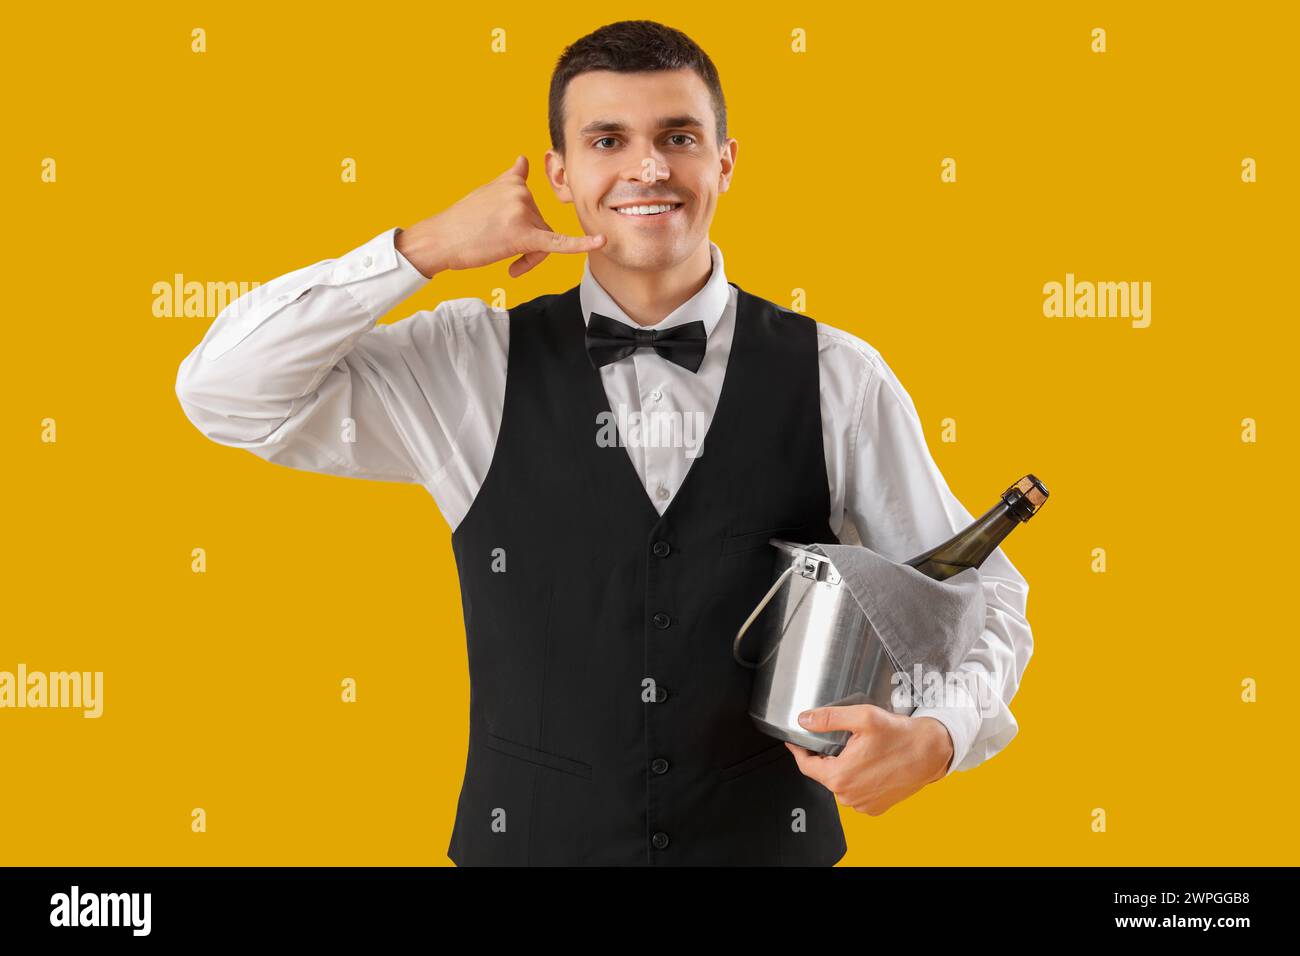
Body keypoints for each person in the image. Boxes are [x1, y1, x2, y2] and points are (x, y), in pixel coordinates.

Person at [174, 19, 1033, 866]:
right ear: (560, 172)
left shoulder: (836, 376)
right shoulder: (469, 365)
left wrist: (941, 737)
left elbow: (979, 597)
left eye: (680, 137)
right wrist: (424, 248)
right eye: (608, 139)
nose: (649, 167)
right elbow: (225, 392)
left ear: (725, 160)